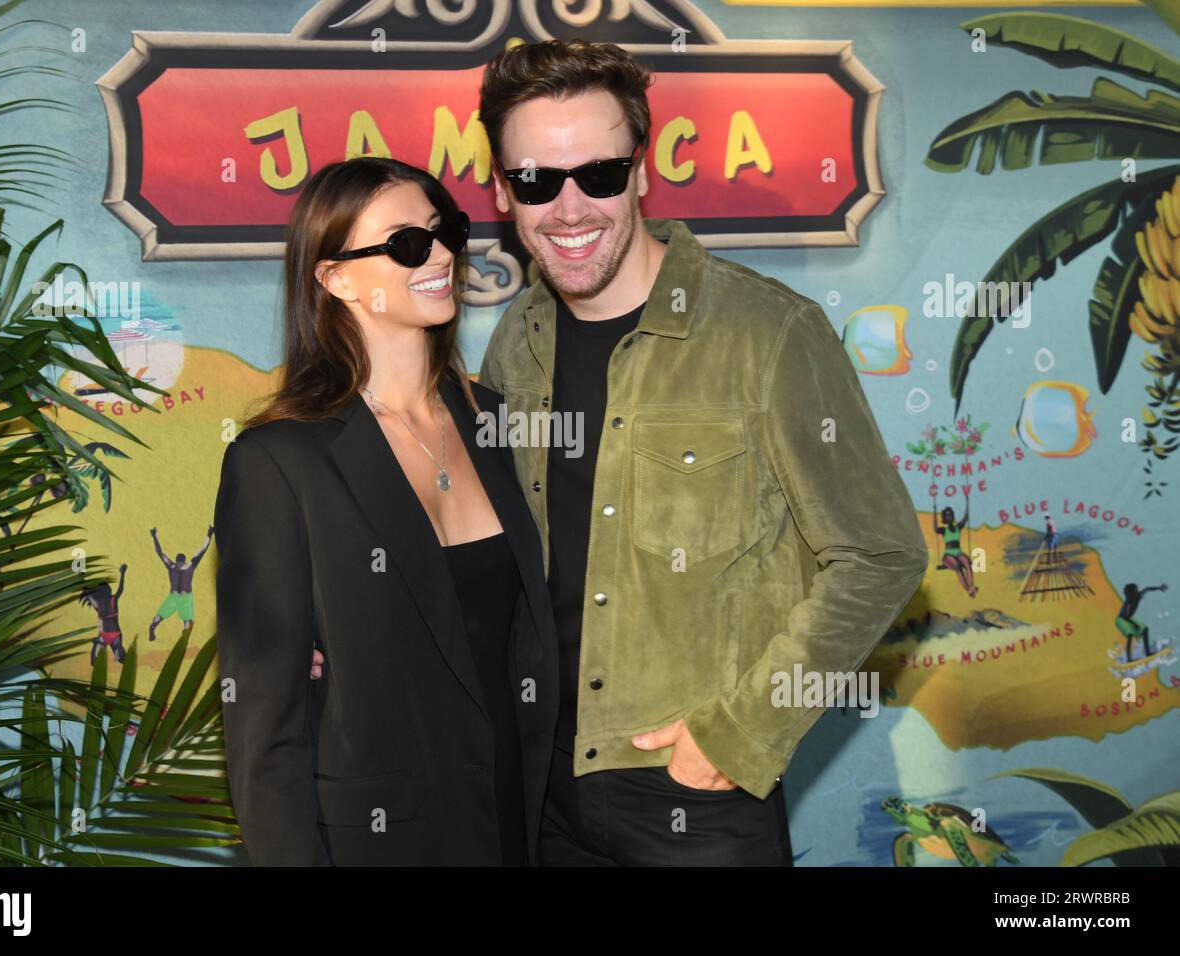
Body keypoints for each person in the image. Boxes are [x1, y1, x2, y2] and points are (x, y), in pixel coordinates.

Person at [477, 39, 928, 865]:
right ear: (505, 192)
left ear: (642, 171)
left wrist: (734, 738)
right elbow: (496, 551)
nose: (569, 209)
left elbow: (881, 553)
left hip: (693, 798)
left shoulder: (767, 334)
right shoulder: (517, 341)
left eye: (600, 175)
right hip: (542, 788)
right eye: (538, 180)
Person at [213, 157, 558, 865]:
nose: (438, 256)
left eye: (445, 232)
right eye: (405, 243)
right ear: (335, 278)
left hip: (518, 825)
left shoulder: (493, 421)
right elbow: (264, 731)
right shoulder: (280, 461)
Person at [933, 496, 977, 597]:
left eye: (951, 515)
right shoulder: (944, 530)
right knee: (957, 567)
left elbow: (965, 517)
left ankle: (971, 586)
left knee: (967, 562)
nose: (949, 517)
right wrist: (935, 511)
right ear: (944, 518)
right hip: (948, 555)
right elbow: (935, 528)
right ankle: (968, 590)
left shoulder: (958, 527)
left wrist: (967, 502)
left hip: (958, 553)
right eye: (947, 516)